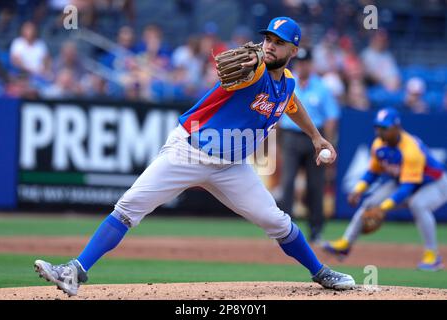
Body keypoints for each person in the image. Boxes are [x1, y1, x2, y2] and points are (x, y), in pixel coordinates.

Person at [34, 16, 355, 296]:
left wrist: (315, 136)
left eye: (279, 42)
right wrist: (252, 63)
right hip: (189, 150)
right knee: (129, 207)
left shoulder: (285, 85)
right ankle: (74, 271)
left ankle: (320, 271)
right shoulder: (255, 68)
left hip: (231, 167)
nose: (270, 45)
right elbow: (249, 68)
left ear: (293, 51)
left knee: (277, 221)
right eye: (267, 38)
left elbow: (292, 104)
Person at [323, 107, 447, 271]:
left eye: (385, 128)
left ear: (397, 127)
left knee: (418, 204)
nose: (380, 132)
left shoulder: (411, 149)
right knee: (369, 203)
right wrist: (358, 189)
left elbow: (407, 188)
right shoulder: (379, 145)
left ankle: (433, 256)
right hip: (404, 182)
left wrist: (383, 208)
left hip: (435, 183)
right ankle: (345, 244)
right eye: (378, 127)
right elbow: (372, 172)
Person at [278, 47, 340, 243]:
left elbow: (331, 118)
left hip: (314, 139)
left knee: (316, 185)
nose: (302, 66)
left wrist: (326, 142)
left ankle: (316, 231)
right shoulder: (288, 82)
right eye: (299, 62)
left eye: (306, 62)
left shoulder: (321, 87)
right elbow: (278, 114)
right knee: (287, 183)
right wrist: (278, 141)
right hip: (290, 136)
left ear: (311, 64)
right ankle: (284, 231)